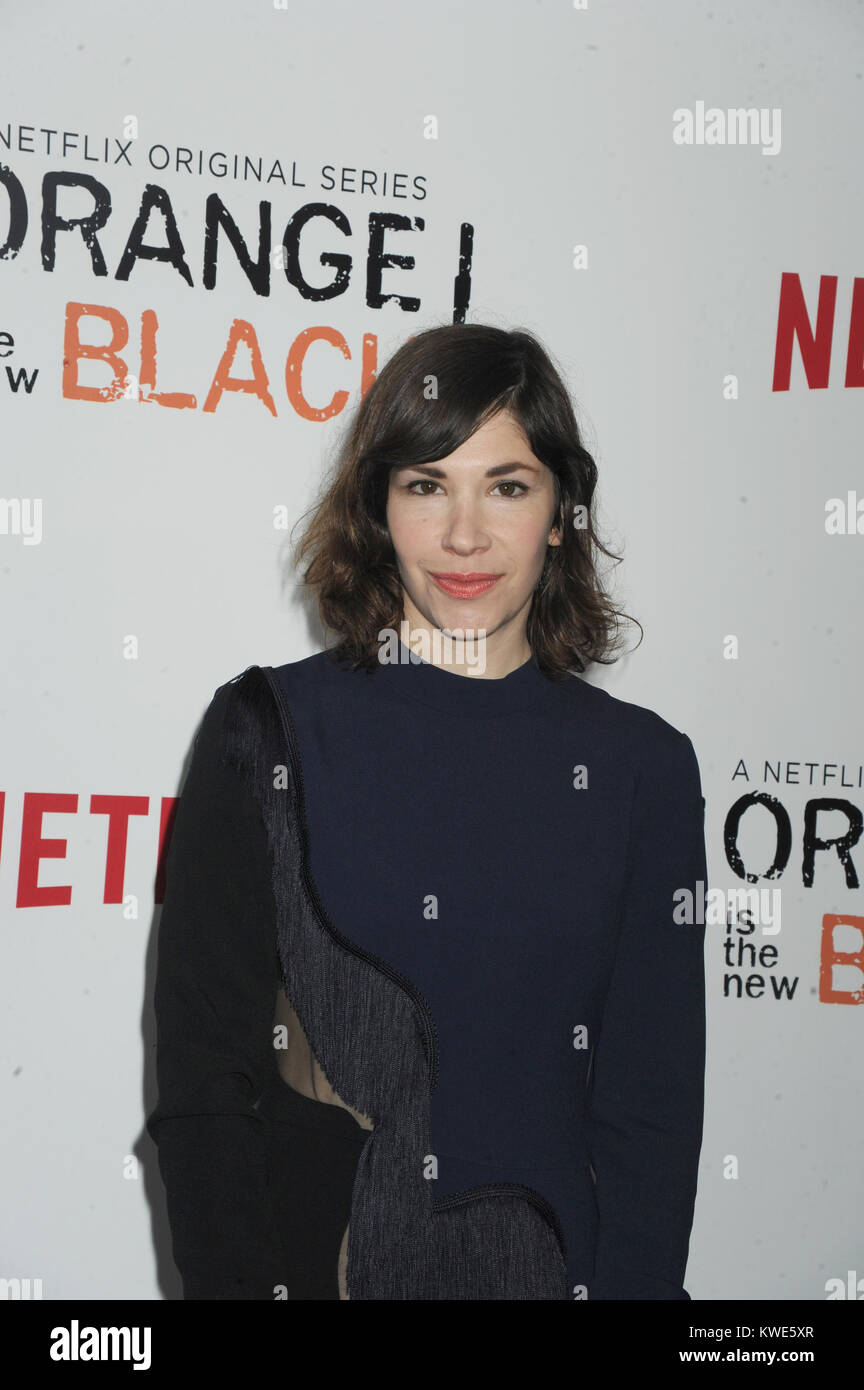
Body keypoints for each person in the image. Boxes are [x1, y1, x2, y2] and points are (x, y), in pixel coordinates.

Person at [146, 322, 708, 1301]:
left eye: (507, 485)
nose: (464, 535)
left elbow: (649, 1119)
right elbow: (203, 1094)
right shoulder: (265, 731)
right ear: (378, 505)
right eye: (425, 484)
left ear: (560, 511)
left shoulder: (642, 768)